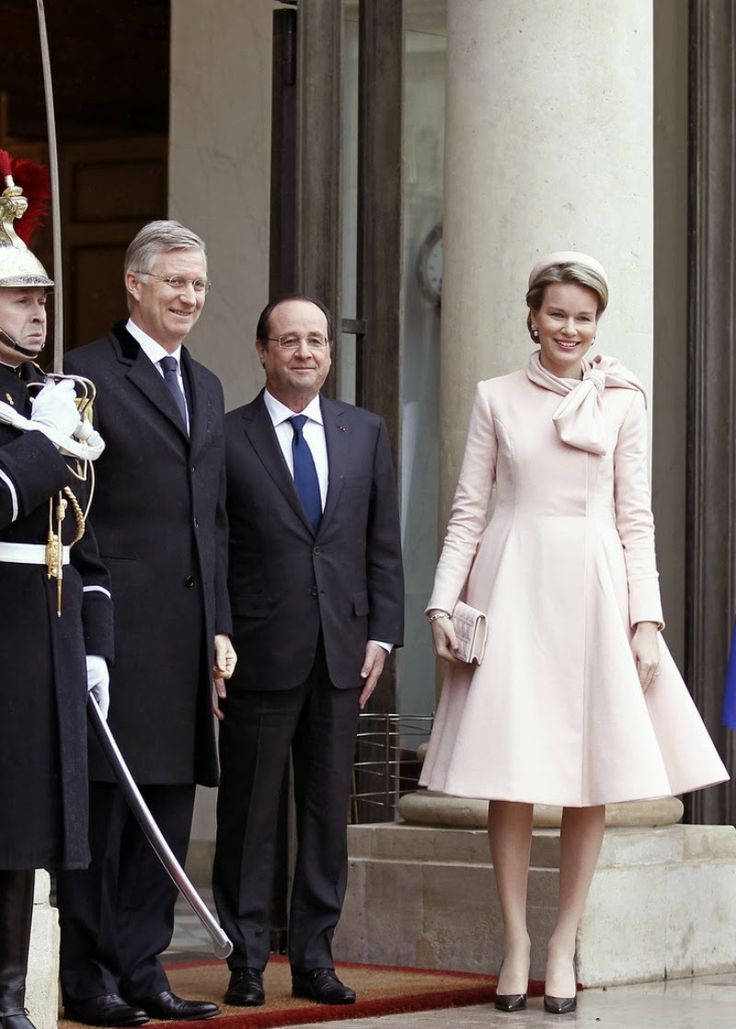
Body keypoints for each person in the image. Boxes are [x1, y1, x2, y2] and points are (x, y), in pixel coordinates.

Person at [421, 251, 728, 1015]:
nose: (569, 327)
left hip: (596, 585)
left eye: (583, 317)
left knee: (594, 770)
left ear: (597, 324)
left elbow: (636, 518)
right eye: (557, 313)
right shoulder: (495, 396)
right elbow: (468, 509)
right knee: (511, 769)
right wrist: (440, 601)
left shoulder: (623, 400)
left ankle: (563, 942)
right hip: (513, 577)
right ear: (533, 314)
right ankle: (516, 940)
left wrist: (647, 620)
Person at [55, 220, 236, 1027]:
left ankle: (144, 967)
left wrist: (222, 625)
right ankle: (86, 976)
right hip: (115, 629)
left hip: (189, 633)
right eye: (176, 283)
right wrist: (87, 628)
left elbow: (215, 521)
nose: (190, 297)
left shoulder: (207, 386)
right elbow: (74, 512)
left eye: (198, 284)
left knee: (165, 804)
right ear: (136, 284)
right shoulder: (86, 377)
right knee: (104, 805)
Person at [212, 295, 404, 1008]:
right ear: (262, 350)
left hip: (342, 654)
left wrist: (382, 633)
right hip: (259, 652)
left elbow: (382, 541)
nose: (304, 352)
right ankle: (245, 956)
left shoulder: (365, 431)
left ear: (330, 351)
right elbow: (216, 544)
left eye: (316, 341)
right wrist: (219, 635)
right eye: (288, 341)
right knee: (250, 813)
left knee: (326, 815)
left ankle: (316, 957)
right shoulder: (226, 436)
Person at [0, 168, 112, 1029]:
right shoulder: (31, 412)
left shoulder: (54, 396)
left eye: (41, 299)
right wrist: (37, 446)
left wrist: (96, 640)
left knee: (28, 827)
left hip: (50, 622)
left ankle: (8, 997)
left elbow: (84, 535)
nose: (37, 313)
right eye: (17, 297)